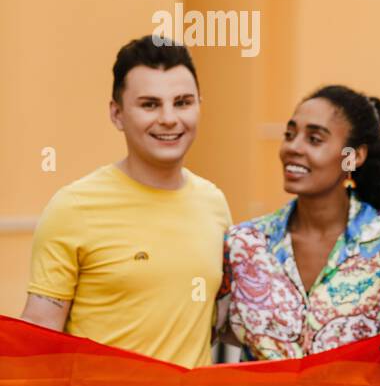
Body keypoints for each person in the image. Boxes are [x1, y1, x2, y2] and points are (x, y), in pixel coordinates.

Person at [22, 37, 231, 366]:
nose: (168, 118)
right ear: (117, 114)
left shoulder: (214, 204)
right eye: (149, 104)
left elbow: (221, 320)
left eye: (182, 102)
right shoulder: (74, 207)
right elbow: (39, 332)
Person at [217, 85, 380, 381]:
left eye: (314, 139)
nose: (293, 148)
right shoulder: (244, 244)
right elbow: (204, 337)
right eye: (290, 134)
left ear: (353, 157)